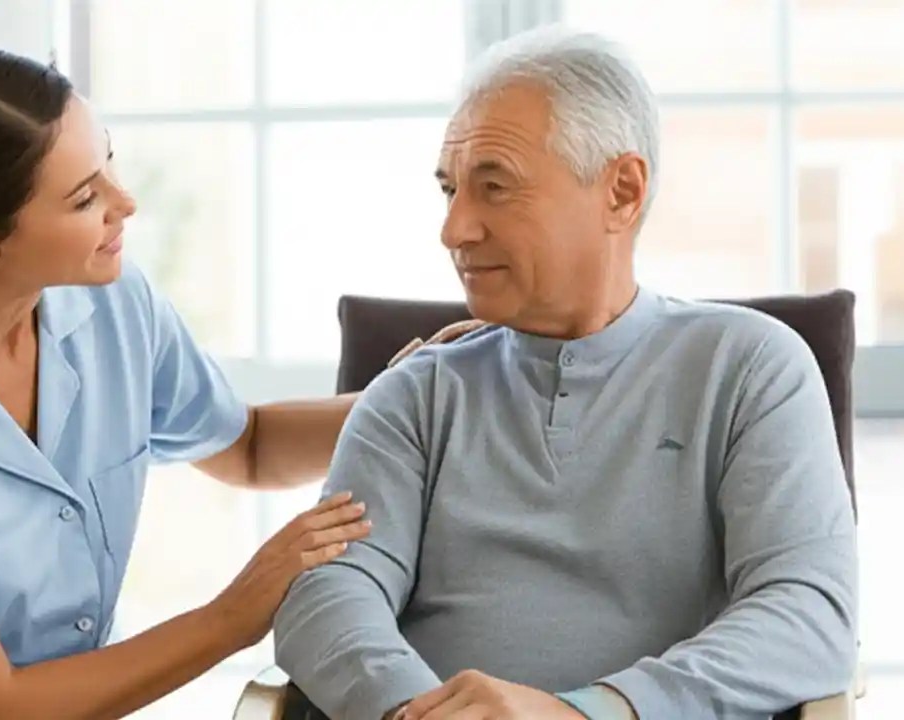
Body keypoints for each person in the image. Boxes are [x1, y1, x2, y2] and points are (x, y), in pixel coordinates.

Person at [0, 45, 444, 719]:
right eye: (84, 198)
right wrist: (234, 615)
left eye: (107, 162)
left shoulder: (108, 301)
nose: (125, 202)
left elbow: (249, 445)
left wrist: (414, 397)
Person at [273, 25, 858, 720]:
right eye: (450, 189)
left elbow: (807, 614)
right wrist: (423, 712)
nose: (455, 228)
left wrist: (583, 713)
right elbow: (329, 593)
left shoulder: (752, 368)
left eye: (494, 188)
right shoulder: (413, 394)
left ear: (622, 192)